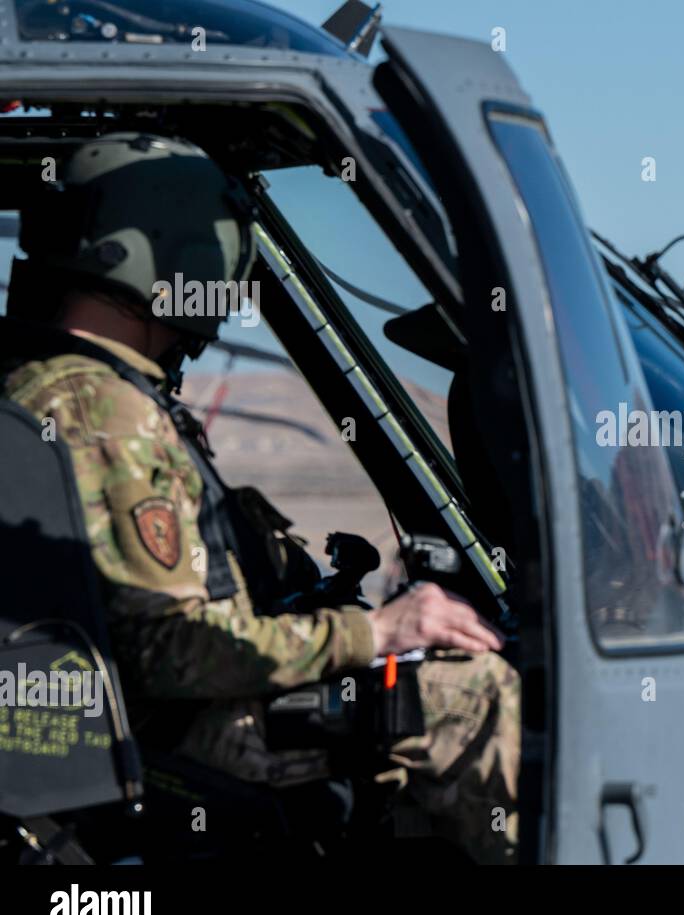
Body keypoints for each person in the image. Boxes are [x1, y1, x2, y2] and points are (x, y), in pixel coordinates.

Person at [0, 132, 519, 862]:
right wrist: (374, 635)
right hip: (167, 742)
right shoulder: (105, 409)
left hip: (137, 728)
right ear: (170, 257)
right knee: (478, 696)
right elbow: (173, 651)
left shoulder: (47, 383)